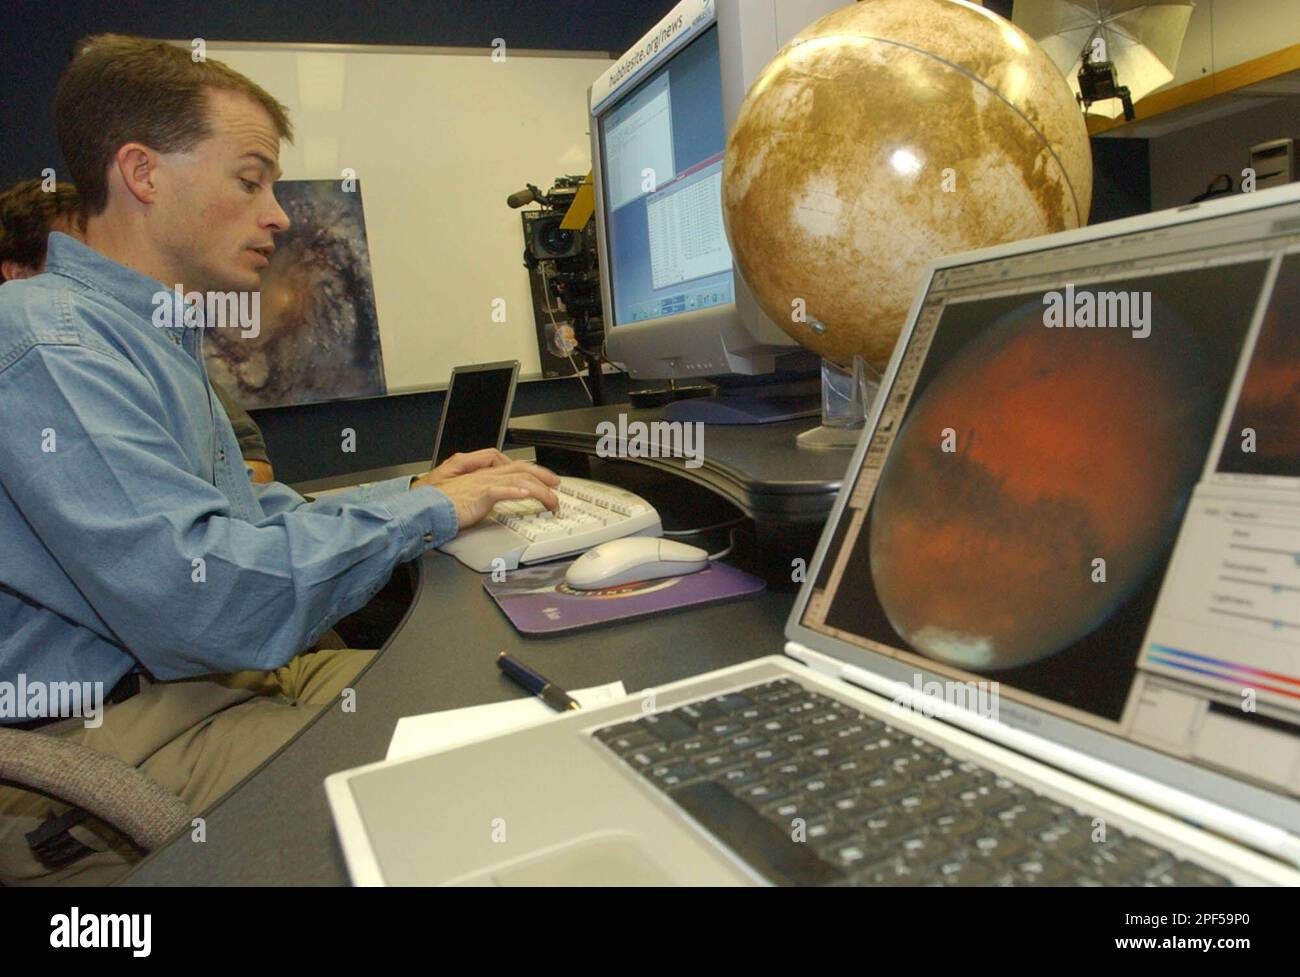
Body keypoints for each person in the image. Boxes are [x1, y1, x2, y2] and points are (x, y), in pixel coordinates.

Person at [0, 34, 560, 884]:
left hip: (200, 680)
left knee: (497, 701)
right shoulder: (50, 343)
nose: (280, 213)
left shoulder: (148, 335)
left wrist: (415, 490)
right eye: (250, 178)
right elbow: (210, 596)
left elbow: (250, 522)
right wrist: (425, 514)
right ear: (144, 174)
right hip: (108, 741)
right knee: (457, 785)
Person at [0, 177, 276, 482]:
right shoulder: (44, 352)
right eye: (74, 261)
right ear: (18, 276)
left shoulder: (151, 350)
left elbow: (251, 460)